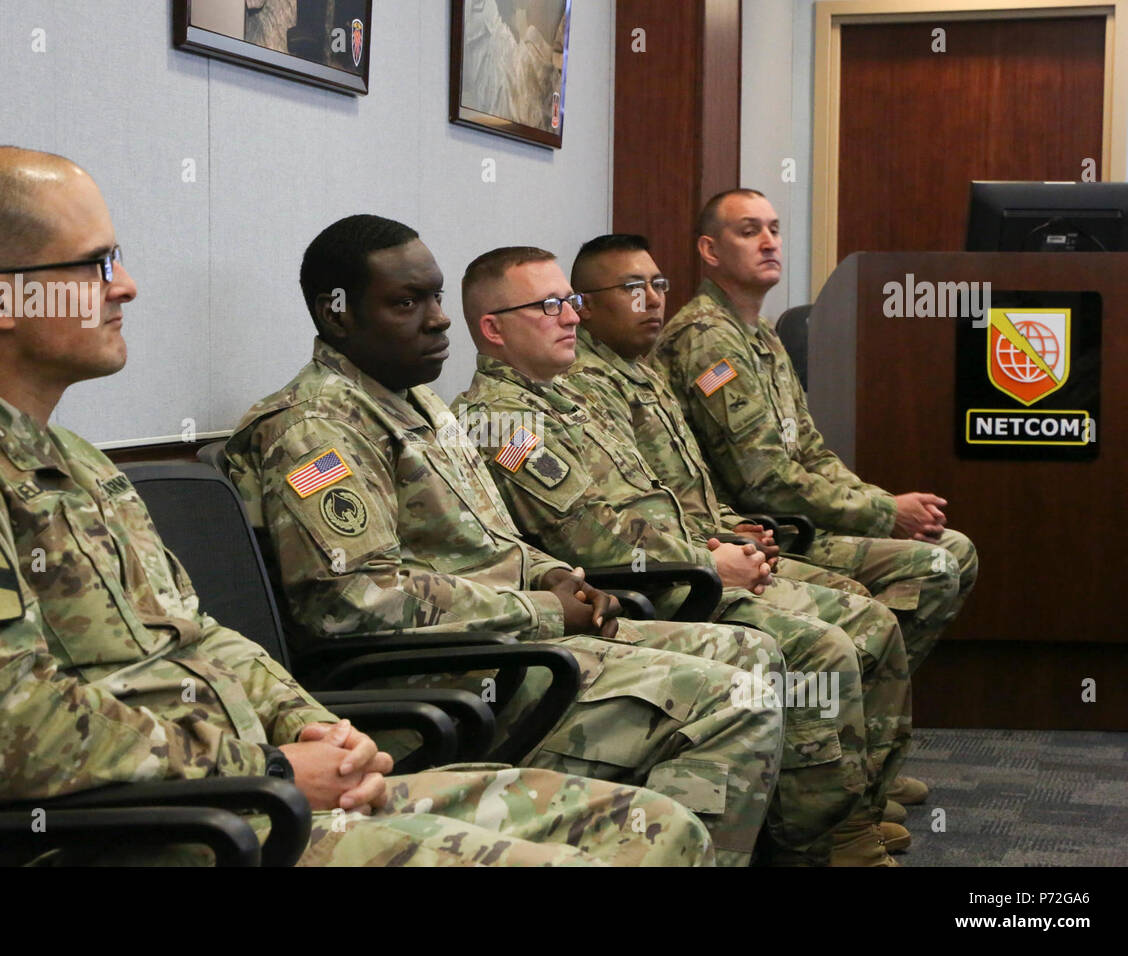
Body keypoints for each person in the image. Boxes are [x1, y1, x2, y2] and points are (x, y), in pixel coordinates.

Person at [0, 147, 714, 867]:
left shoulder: (71, 459)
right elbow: (9, 739)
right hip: (161, 834)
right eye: (96, 264)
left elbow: (200, 637)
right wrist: (268, 764)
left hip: (251, 795)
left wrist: (320, 729)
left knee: (660, 832)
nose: (127, 286)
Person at [225, 213, 786, 866]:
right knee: (730, 699)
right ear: (338, 313)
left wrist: (551, 574)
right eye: (407, 303)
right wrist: (545, 608)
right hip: (449, 682)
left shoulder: (420, 405)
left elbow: (493, 540)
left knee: (751, 661)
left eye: (435, 297)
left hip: (512, 645)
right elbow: (353, 603)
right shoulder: (313, 427)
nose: (438, 319)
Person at [454, 245, 914, 866]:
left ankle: (834, 817)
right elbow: (593, 538)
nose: (570, 317)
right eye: (550, 305)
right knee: (818, 646)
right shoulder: (502, 422)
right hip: (647, 590)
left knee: (857, 618)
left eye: (569, 302)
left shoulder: (570, 399)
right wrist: (708, 564)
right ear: (493, 329)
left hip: (679, 566)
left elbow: (657, 501)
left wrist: (715, 544)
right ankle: (818, 843)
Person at [654, 190, 980, 808]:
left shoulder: (764, 337)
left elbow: (811, 451)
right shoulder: (707, 340)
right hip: (763, 530)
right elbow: (763, 480)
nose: (771, 241)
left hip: (800, 514)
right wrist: (886, 514)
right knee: (935, 565)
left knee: (948, 549)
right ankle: (842, 776)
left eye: (775, 229)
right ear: (709, 250)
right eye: (750, 231)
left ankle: (862, 760)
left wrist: (886, 503)